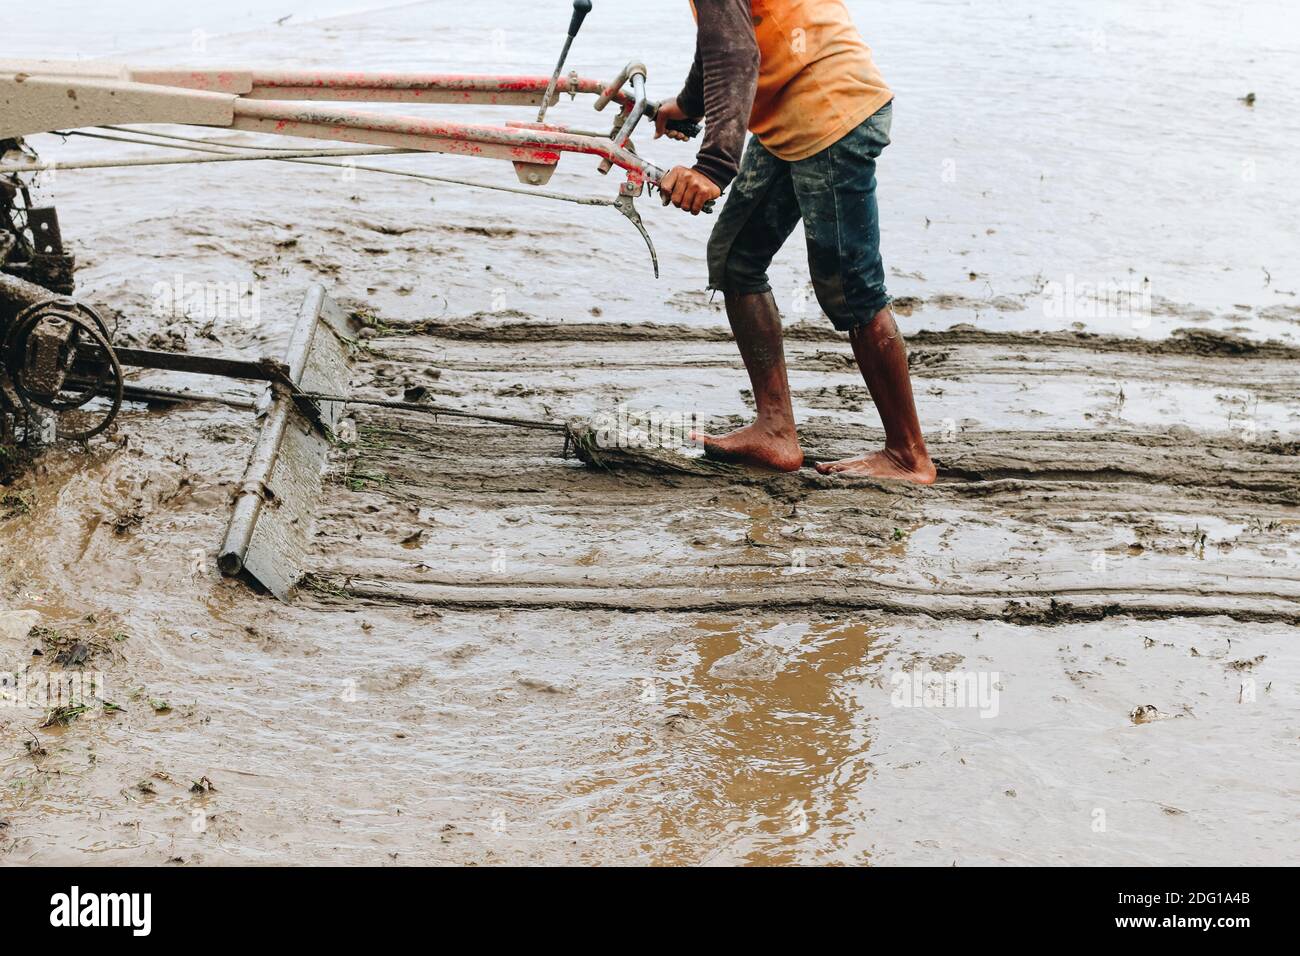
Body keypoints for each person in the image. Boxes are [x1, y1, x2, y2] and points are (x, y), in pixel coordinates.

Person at [655, 0, 935, 483]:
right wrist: (686, 105)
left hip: (831, 113)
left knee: (850, 287)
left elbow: (734, 51)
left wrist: (714, 165)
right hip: (789, 114)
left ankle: (908, 455)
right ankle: (775, 430)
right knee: (735, 258)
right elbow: (725, 37)